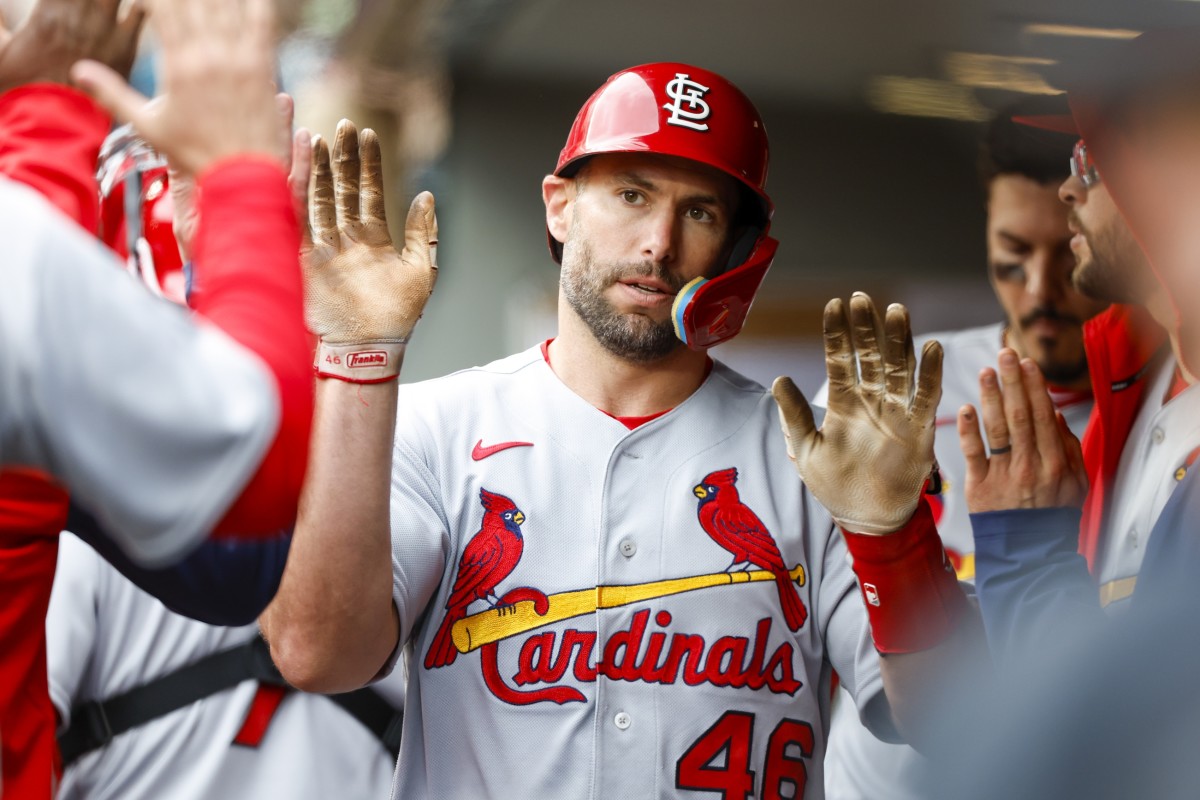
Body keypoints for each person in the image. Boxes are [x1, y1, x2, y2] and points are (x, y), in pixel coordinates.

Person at [260, 62, 983, 799]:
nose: (659, 242)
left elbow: (960, 725)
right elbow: (317, 654)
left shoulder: (818, 462)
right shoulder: (438, 428)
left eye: (699, 212)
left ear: (737, 251)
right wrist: (355, 364)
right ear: (560, 207)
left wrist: (893, 540)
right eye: (631, 195)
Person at [820, 106, 1107, 798]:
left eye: (1065, 254)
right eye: (1013, 253)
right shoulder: (902, 393)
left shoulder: (1152, 415)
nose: (1039, 291)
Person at [959, 27, 1200, 667]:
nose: (1070, 189)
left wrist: (1028, 544)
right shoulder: (1134, 381)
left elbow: (1134, 726)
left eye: (1091, 162)